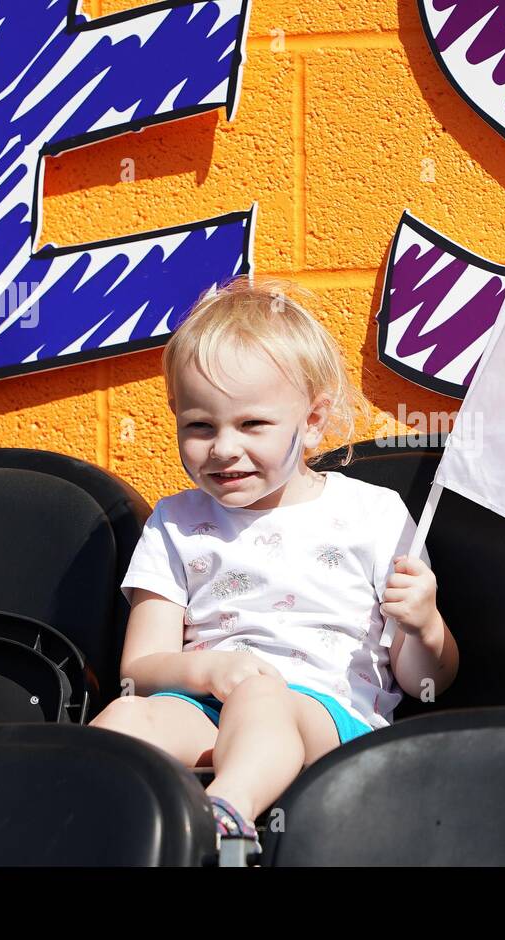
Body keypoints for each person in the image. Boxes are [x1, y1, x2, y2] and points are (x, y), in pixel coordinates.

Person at [90, 273, 459, 841]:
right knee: (125, 717)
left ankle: (222, 817)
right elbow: (139, 669)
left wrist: (425, 626)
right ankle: (76, 823)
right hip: (201, 703)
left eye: (252, 424)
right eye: (199, 426)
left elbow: (422, 681)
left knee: (262, 699)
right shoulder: (176, 521)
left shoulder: (373, 514)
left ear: (311, 422)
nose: (223, 448)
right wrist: (207, 670)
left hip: (325, 717)